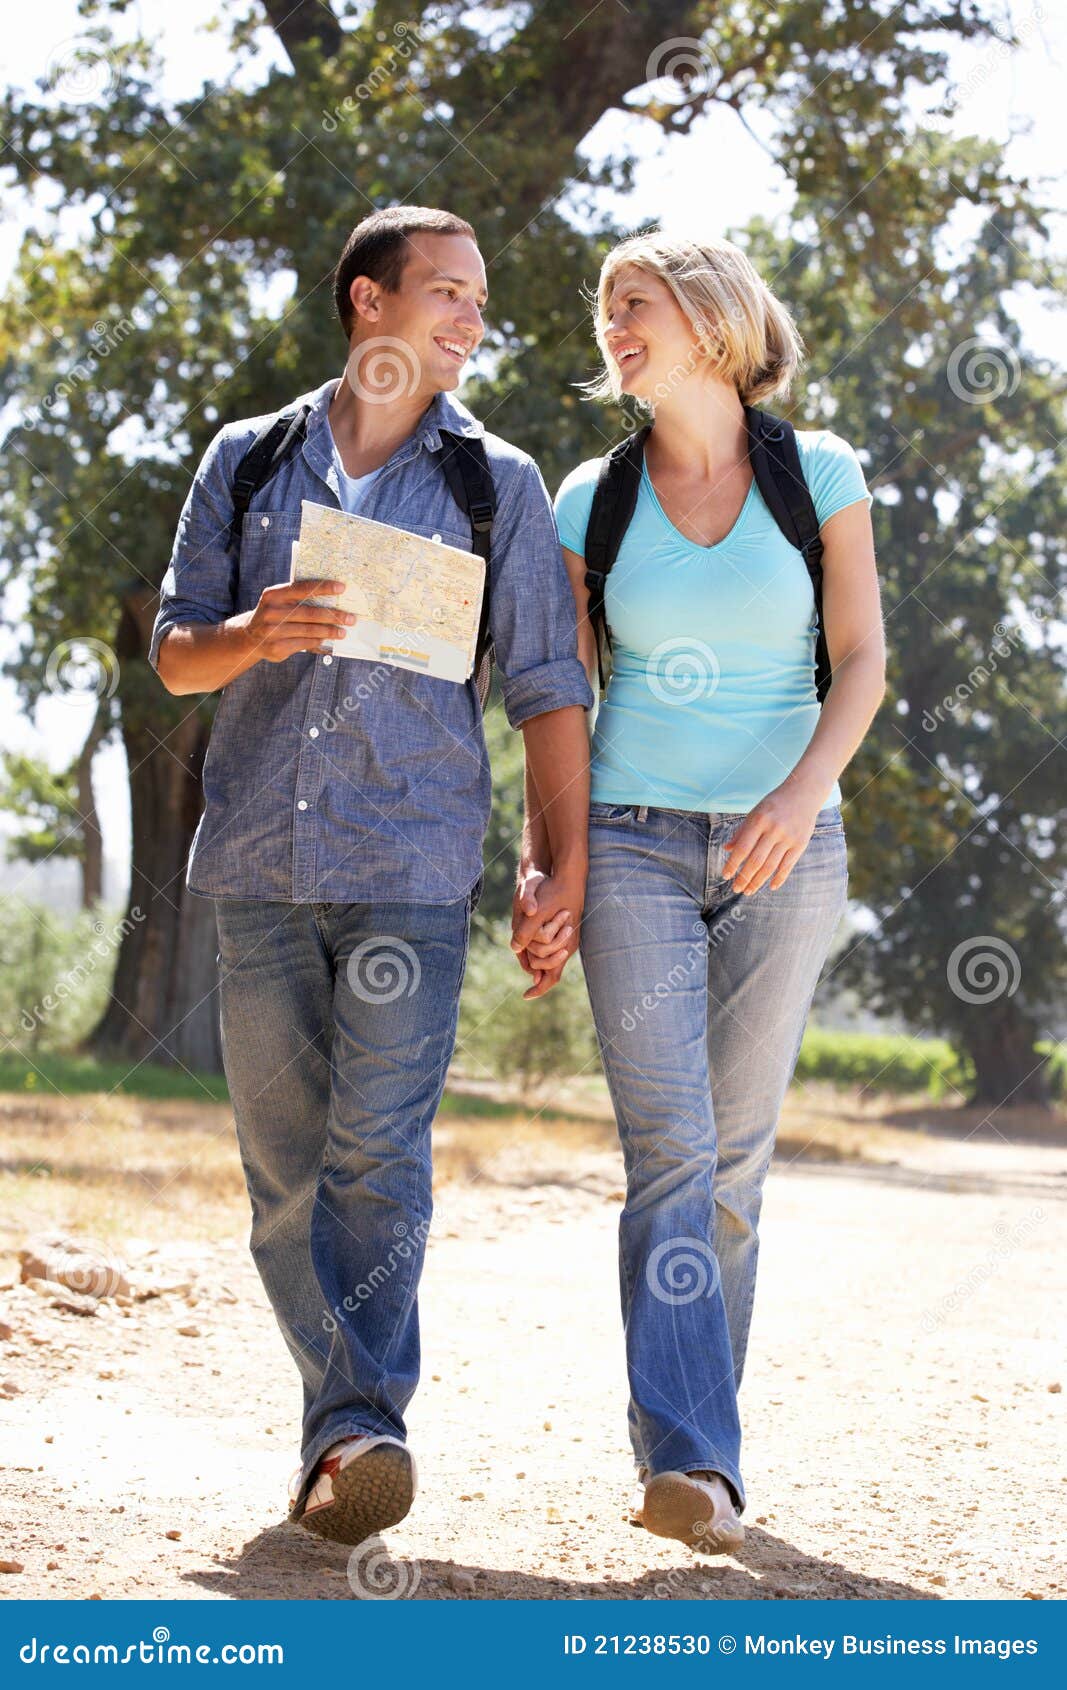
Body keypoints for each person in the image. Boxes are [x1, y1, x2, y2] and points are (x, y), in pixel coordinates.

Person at [150, 205, 592, 1545]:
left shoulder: (494, 483)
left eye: (477, 299)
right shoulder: (251, 457)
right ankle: (348, 1431)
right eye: (446, 292)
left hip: (409, 863)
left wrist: (555, 861)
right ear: (367, 302)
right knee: (283, 1171)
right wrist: (255, 631)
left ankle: (357, 1423)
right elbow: (176, 653)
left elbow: (546, 685)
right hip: (254, 864)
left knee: (375, 1150)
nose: (470, 318)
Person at [512, 230, 885, 1552]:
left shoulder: (819, 473)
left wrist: (798, 792)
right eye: (604, 308)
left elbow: (862, 664)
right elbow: (558, 696)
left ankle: (699, 1448)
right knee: (670, 1148)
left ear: (715, 317)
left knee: (734, 1164)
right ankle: (692, 1459)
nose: (613, 327)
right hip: (632, 844)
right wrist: (543, 854)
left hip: (789, 847)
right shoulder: (588, 500)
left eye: (637, 304)